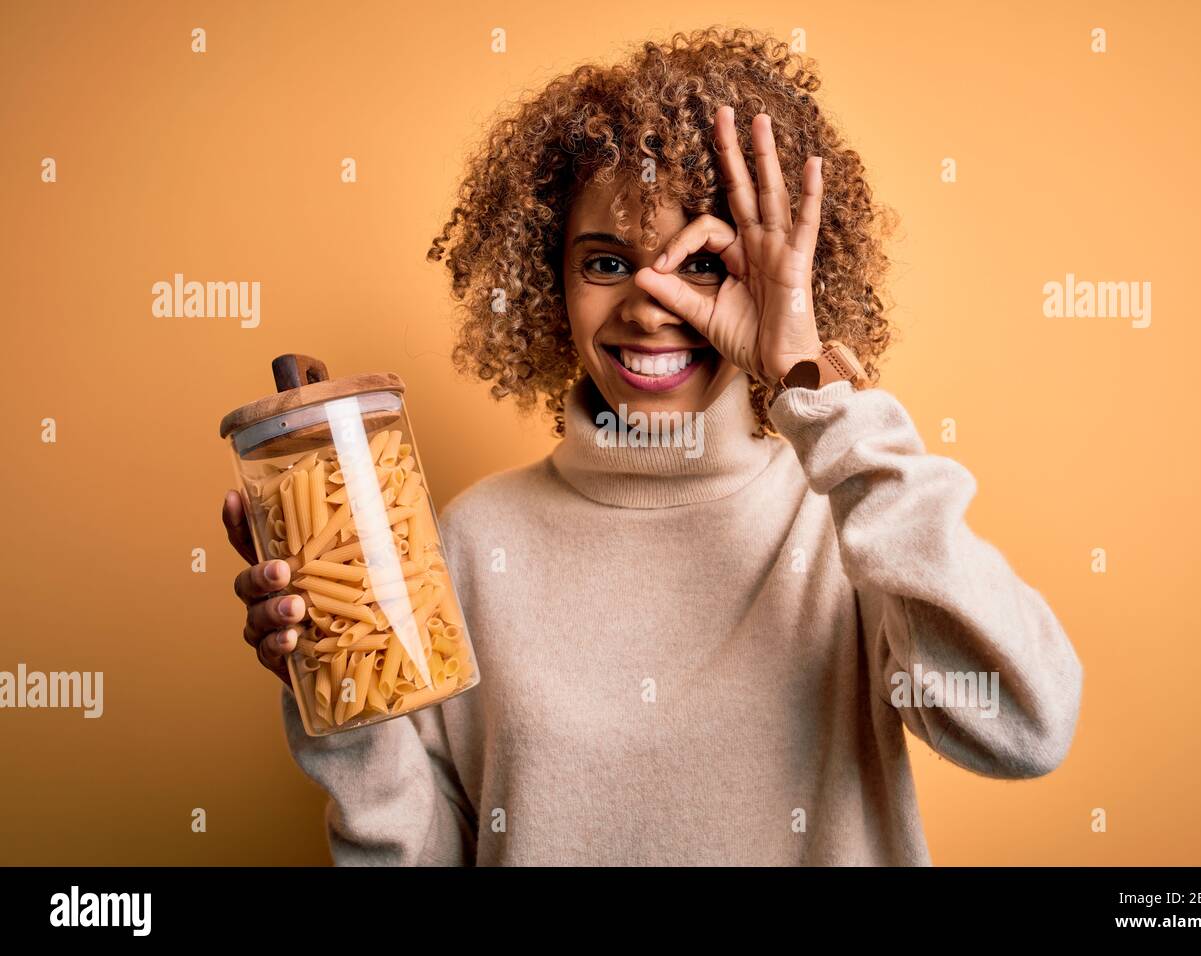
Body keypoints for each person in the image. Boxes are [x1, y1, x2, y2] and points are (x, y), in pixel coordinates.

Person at [221, 26, 1082, 865]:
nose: (649, 303)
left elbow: (1025, 726)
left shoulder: (849, 519)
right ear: (547, 283)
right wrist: (337, 690)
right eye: (604, 263)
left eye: (700, 263)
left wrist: (810, 386)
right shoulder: (478, 542)